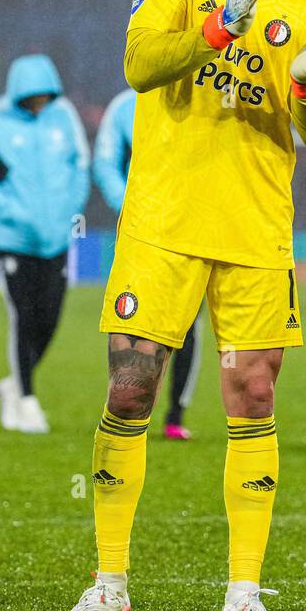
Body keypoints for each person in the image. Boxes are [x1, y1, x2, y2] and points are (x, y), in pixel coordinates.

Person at [57, 0, 306, 611]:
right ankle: (110, 584)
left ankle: (244, 591)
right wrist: (220, 28)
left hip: (257, 227)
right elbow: (139, 63)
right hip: (162, 221)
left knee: (252, 396)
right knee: (129, 390)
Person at [0, 53, 89, 435]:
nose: (40, 102)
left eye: (45, 95)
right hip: (13, 241)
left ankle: (13, 384)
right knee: (23, 318)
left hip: (57, 239)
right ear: (19, 93)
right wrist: (14, 215)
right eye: (33, 96)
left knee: (49, 321)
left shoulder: (64, 115)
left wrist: (70, 209)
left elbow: (79, 166)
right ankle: (29, 401)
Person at [93, 86, 201, 440]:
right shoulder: (124, 106)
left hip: (192, 227)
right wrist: (130, 204)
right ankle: (126, 407)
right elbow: (106, 162)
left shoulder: (202, 93)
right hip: (142, 231)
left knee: (187, 327)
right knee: (133, 322)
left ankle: (175, 414)